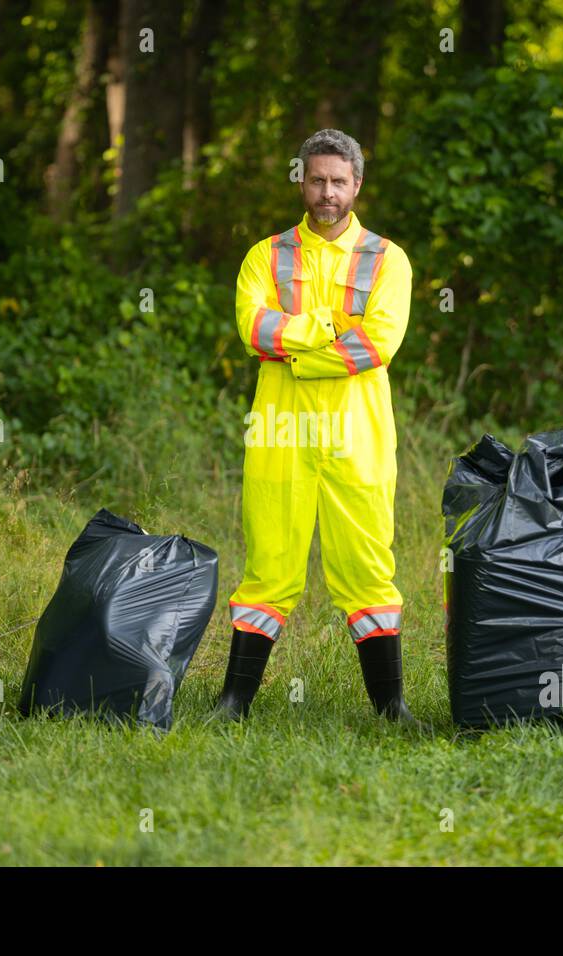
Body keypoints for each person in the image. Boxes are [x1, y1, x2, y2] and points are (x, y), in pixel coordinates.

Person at [214, 128, 416, 725]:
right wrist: (328, 326)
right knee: (268, 565)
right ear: (301, 181)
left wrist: (294, 350)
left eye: (338, 181)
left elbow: (376, 345)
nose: (327, 192)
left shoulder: (387, 259)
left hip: (359, 438)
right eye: (317, 179)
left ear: (356, 185)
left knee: (368, 568)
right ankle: (233, 703)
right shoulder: (265, 255)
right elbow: (255, 331)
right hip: (279, 436)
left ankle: (391, 707)